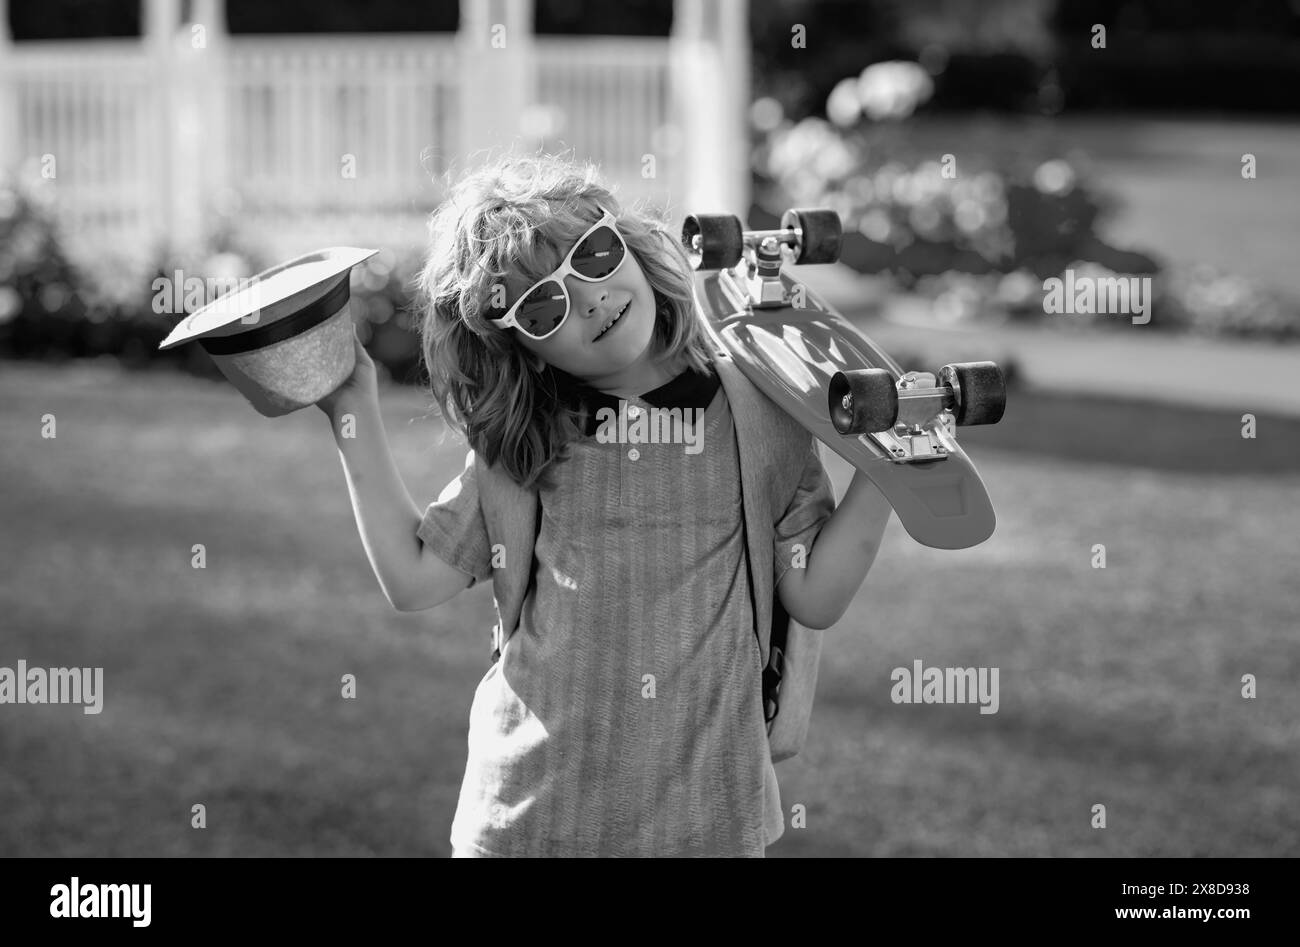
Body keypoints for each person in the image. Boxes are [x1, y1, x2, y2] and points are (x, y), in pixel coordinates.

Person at [317, 151, 892, 857]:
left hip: (708, 820)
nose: (587, 298)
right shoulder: (527, 443)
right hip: (531, 821)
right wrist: (353, 409)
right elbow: (412, 579)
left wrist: (891, 461)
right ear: (523, 349)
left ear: (633, 244)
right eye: (545, 304)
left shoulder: (761, 416)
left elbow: (814, 594)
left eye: (593, 255)